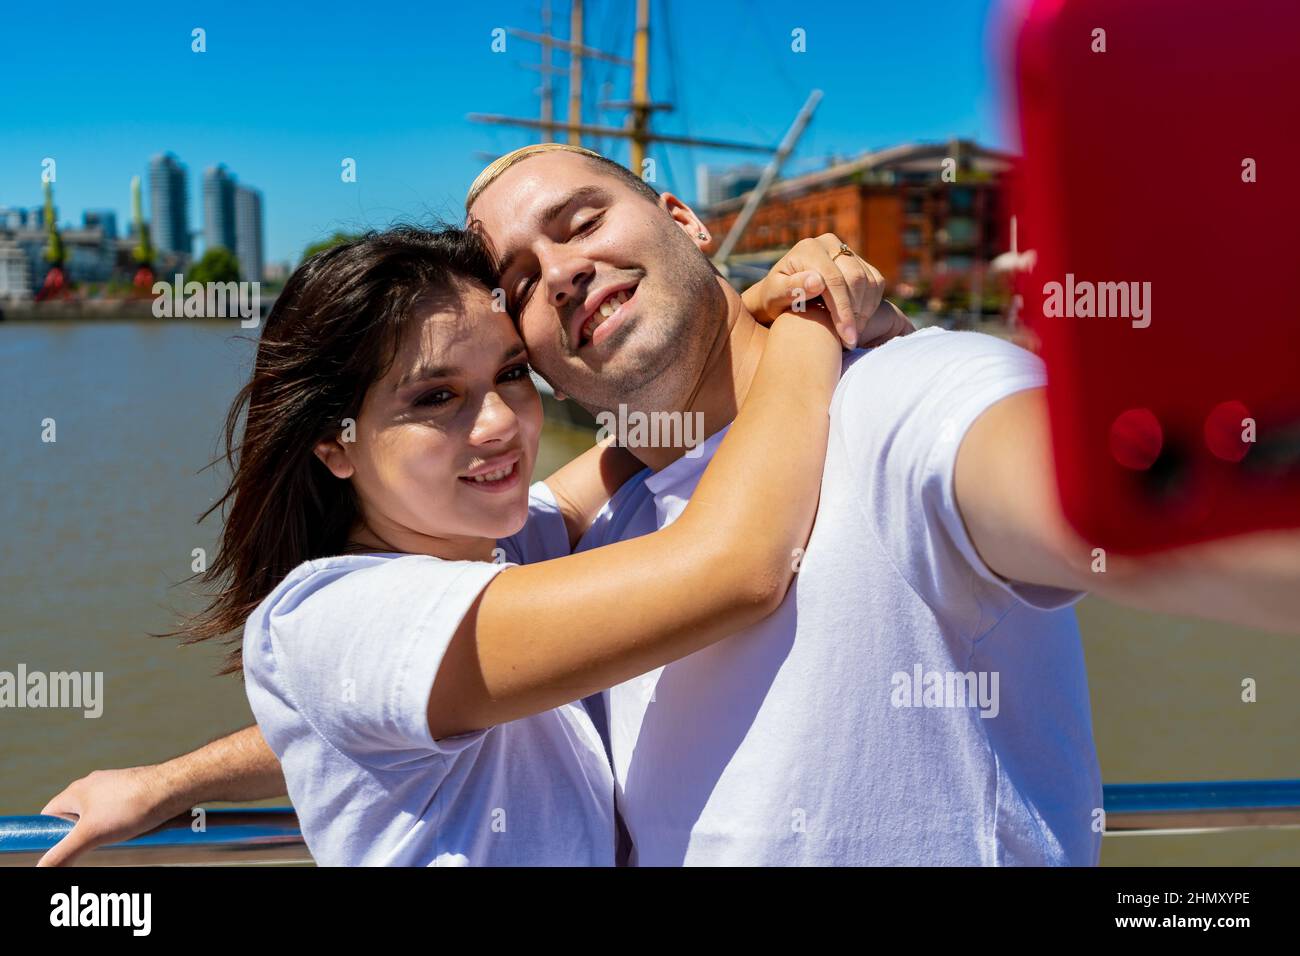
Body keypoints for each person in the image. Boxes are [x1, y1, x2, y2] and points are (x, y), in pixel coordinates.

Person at [42, 144, 1300, 867]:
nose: (563, 274)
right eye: (523, 281)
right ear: (336, 446)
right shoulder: (566, 546)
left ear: (690, 222)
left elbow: (1095, 489)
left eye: (582, 220)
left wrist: (169, 776)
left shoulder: (908, 396)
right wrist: (803, 314)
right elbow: (729, 562)